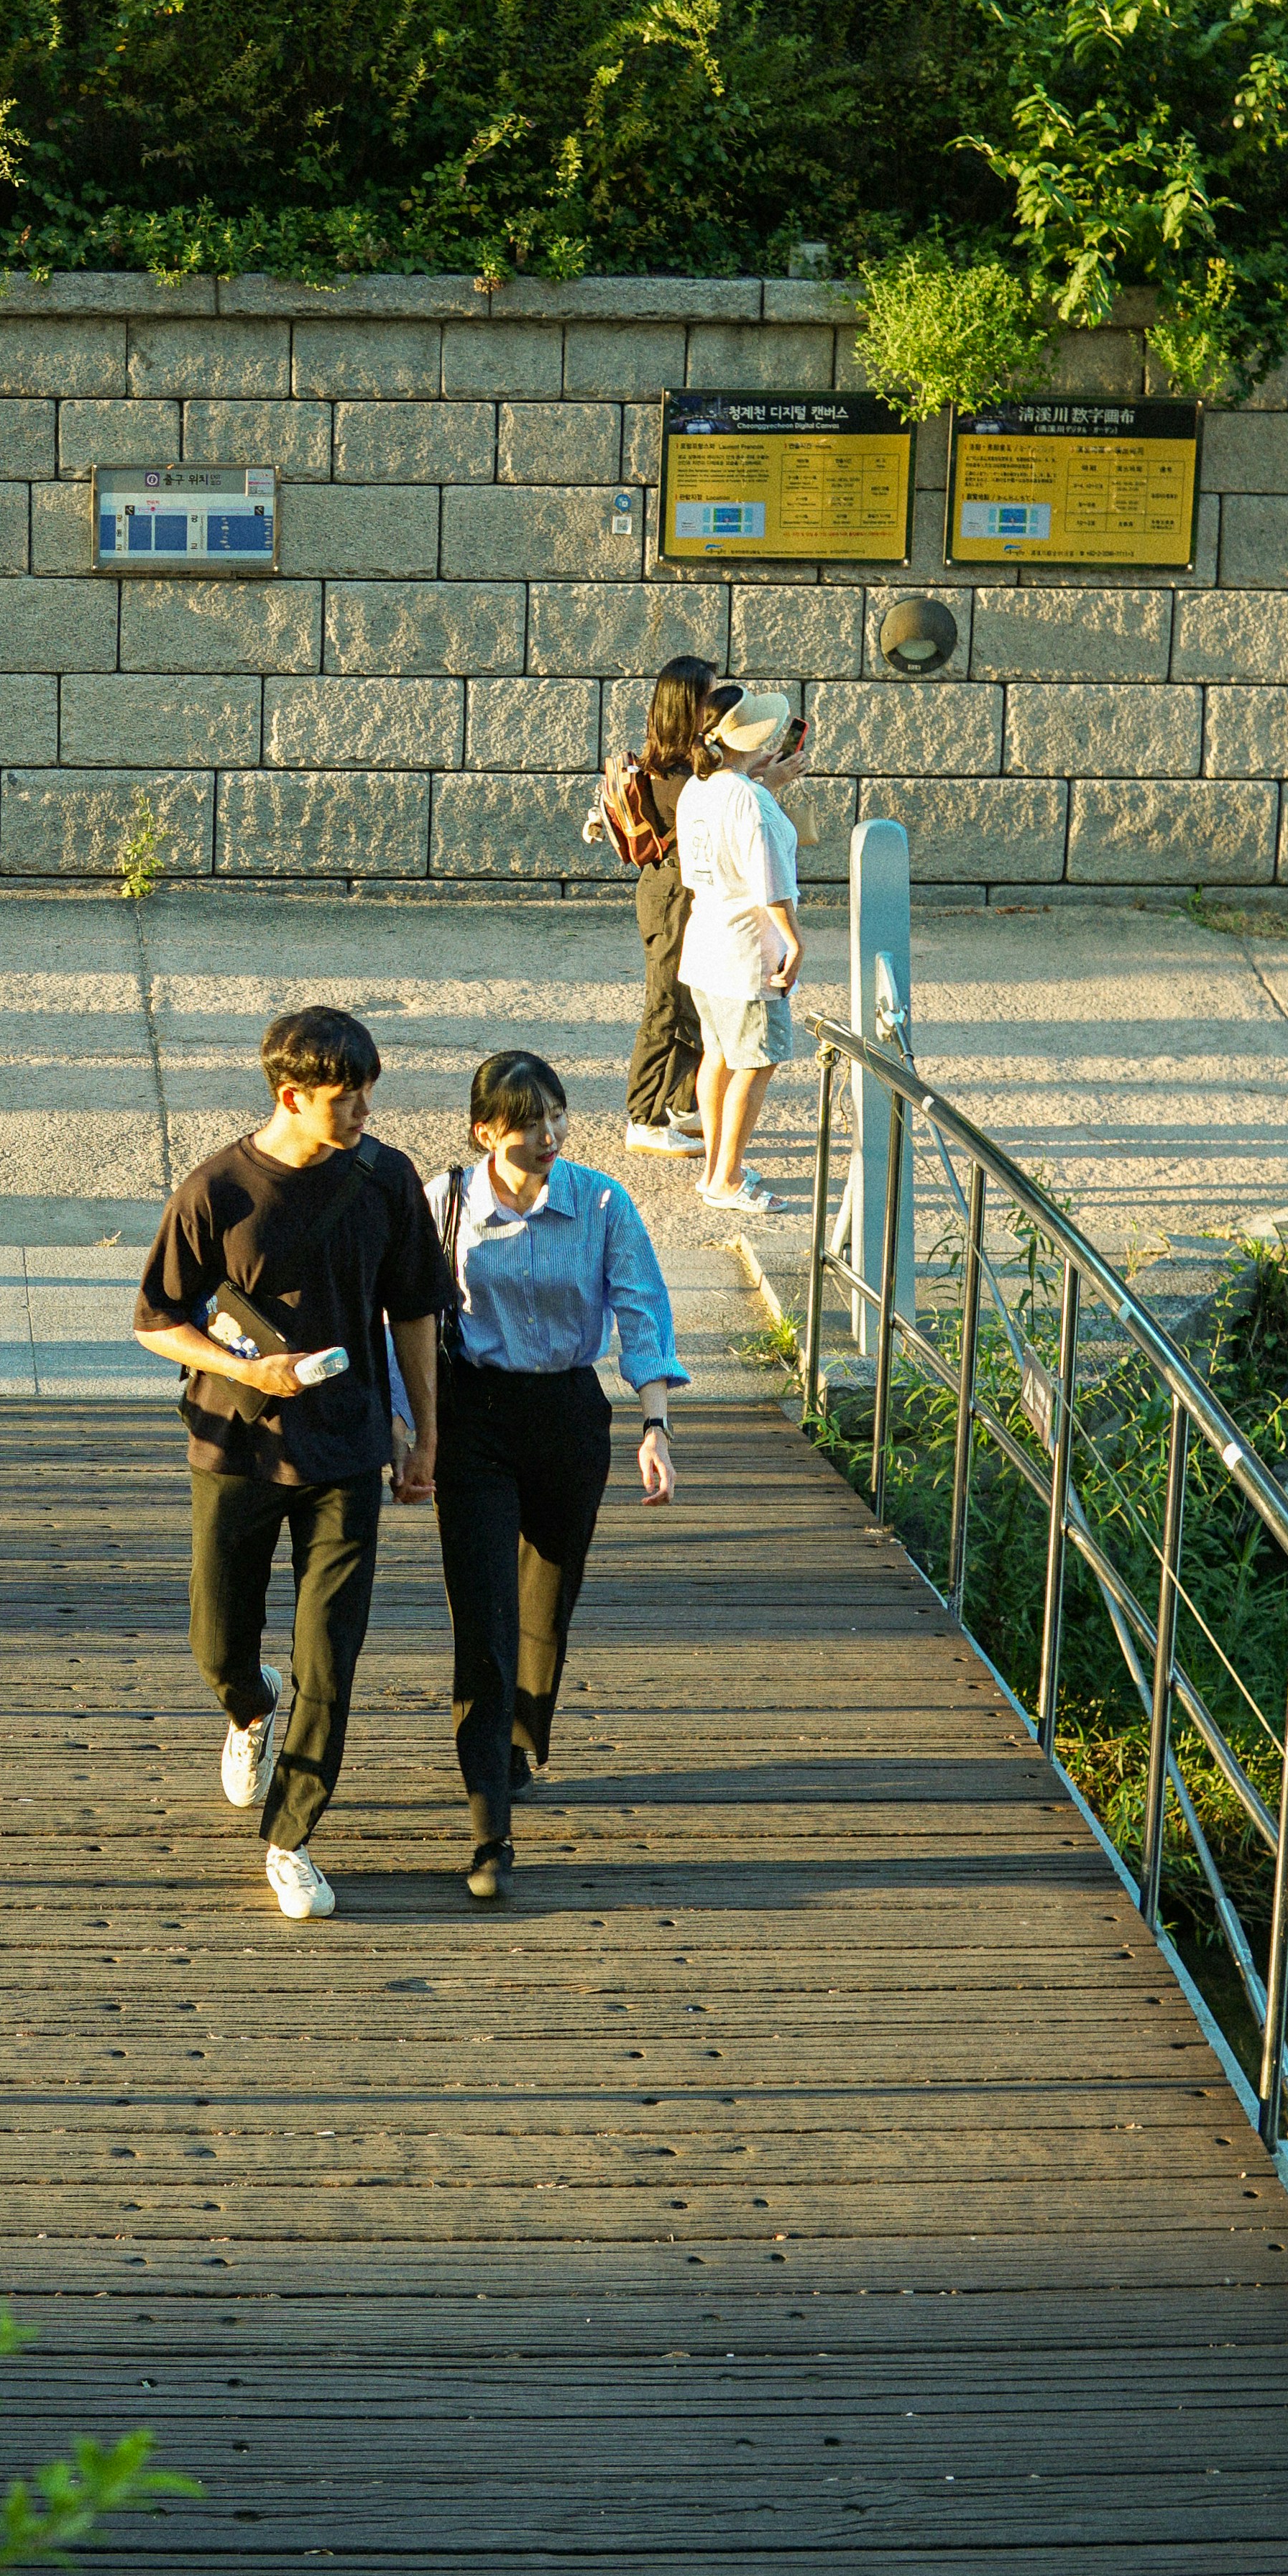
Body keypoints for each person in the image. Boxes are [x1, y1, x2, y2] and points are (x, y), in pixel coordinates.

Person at [132, 1003, 449, 1923]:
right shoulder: (217, 1190)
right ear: (291, 1095)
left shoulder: (386, 1179)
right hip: (233, 1445)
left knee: (330, 1659)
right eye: (346, 1101)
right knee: (216, 1640)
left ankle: (291, 1837)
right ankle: (245, 1707)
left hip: (346, 1450)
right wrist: (243, 1368)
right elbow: (155, 1322)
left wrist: (422, 1434)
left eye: (366, 1097)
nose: (362, 1115)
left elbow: (415, 1315)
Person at [431, 1049, 682, 1905]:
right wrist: (406, 1429)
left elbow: (641, 1308)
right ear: (484, 1133)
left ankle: (516, 1738)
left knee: (546, 1606)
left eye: (558, 1118)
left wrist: (654, 1421)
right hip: (473, 1419)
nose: (549, 1136)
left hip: (568, 1420)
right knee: (485, 1615)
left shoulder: (602, 1200)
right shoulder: (443, 1204)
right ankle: (487, 1828)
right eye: (528, 1124)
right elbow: (407, 1315)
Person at [589, 651, 733, 1159]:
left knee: (694, 999)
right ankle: (643, 1117)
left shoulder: (686, 765)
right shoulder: (676, 773)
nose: (718, 708)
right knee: (667, 1003)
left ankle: (679, 1102)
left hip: (681, 891)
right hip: (673, 895)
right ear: (689, 706)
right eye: (711, 698)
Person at [676, 689, 809, 1214]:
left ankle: (716, 1166)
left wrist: (765, 781)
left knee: (720, 1055)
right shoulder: (750, 800)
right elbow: (770, 882)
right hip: (746, 951)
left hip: (706, 941)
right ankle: (726, 1177)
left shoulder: (698, 788)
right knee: (756, 1063)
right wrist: (795, 941)